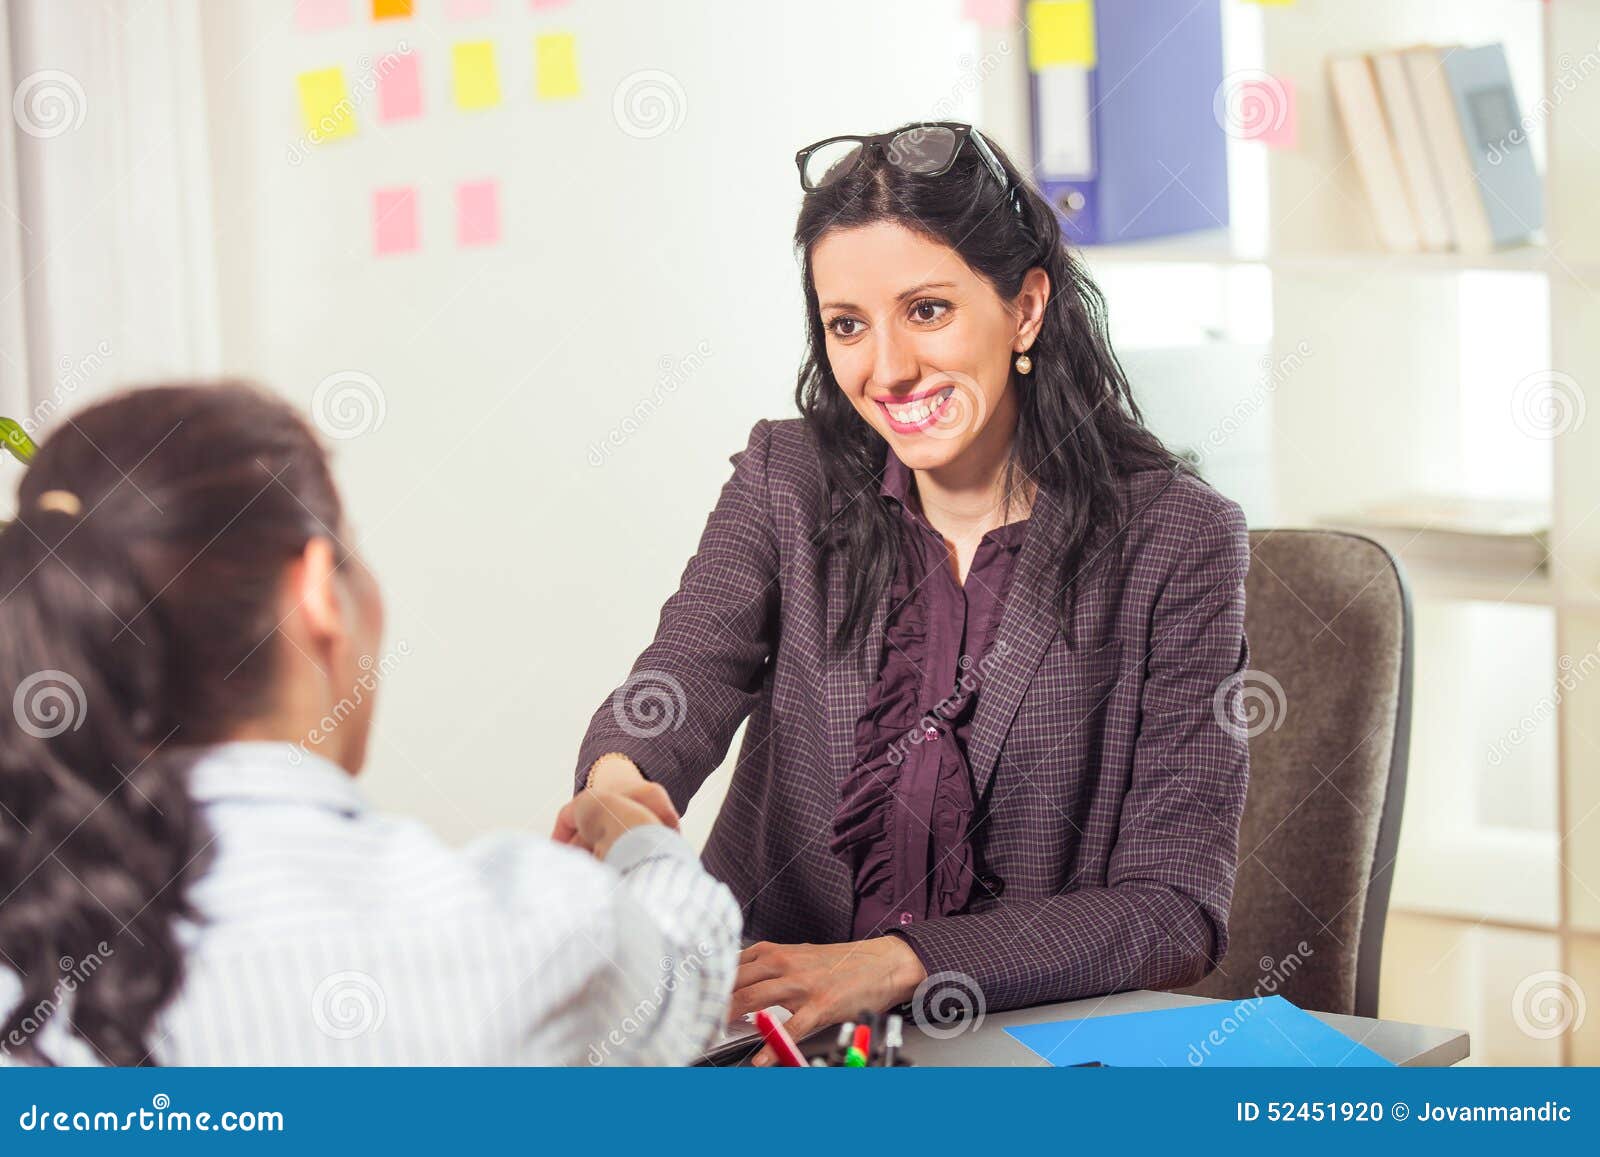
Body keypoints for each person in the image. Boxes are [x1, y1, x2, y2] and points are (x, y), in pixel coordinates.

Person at [574, 122, 1252, 1064]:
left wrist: (894, 963)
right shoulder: (788, 477)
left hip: (1013, 1053)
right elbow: (684, 674)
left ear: (1024, 310)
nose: (884, 369)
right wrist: (620, 782)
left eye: (926, 310)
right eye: (848, 323)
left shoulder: (1178, 539)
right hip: (771, 1036)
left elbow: (1175, 909)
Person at [0, 381, 739, 1066]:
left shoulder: (28, 961)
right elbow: (686, 954)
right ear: (319, 593)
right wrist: (629, 830)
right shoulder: (519, 936)